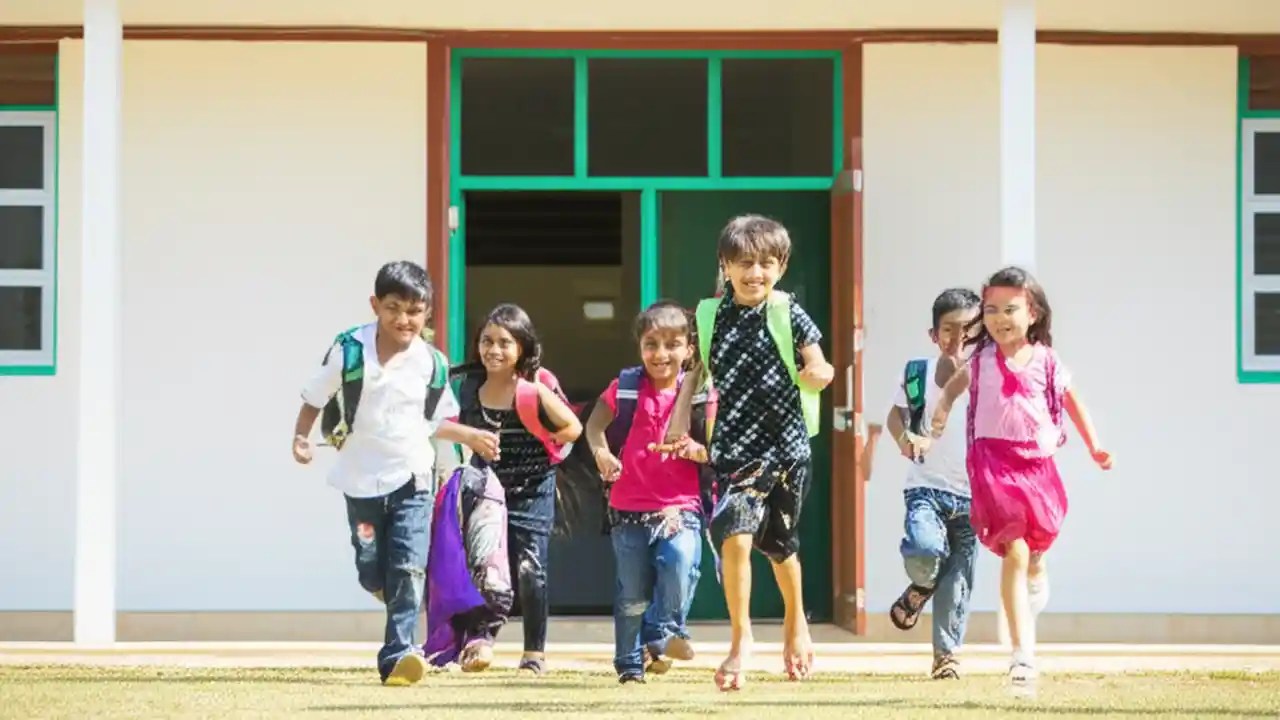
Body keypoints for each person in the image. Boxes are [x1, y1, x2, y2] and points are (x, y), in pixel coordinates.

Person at [290, 260, 498, 686]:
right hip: (359, 479)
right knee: (371, 566)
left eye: (414, 311)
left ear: (428, 314)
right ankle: (387, 590)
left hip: (413, 478)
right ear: (375, 306)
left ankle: (400, 654)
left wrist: (471, 436)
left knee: (408, 565)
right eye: (393, 308)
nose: (404, 319)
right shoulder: (350, 351)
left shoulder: (432, 364)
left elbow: (433, 420)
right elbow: (315, 396)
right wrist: (300, 437)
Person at [664, 214, 834, 691]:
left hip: (788, 449)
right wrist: (679, 423)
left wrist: (819, 374)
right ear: (725, 265)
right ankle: (741, 641)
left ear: (780, 267)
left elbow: (818, 362)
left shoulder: (788, 312)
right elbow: (695, 374)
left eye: (766, 263)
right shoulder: (709, 315)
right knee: (733, 531)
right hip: (735, 446)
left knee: (780, 549)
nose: (754, 273)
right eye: (744, 263)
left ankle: (794, 622)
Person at [930, 266, 1112, 695]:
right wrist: (938, 417)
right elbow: (954, 387)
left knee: (1034, 552)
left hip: (1036, 465)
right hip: (993, 464)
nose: (997, 318)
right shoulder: (982, 361)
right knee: (1014, 549)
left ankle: (1036, 572)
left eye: (1008, 309)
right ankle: (1022, 654)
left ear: (1032, 312)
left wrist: (1095, 446)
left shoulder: (1047, 361)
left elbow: (1073, 402)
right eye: (990, 310)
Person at [584, 301, 713, 684]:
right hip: (628, 508)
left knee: (680, 560)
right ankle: (629, 664)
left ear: (690, 349)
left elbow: (717, 450)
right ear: (640, 347)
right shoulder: (624, 388)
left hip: (681, 507)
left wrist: (696, 450)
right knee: (631, 593)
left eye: (672, 344)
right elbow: (594, 428)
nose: (661, 354)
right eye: (651, 344)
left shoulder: (703, 395)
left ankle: (662, 630)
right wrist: (602, 454)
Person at [452, 303, 583, 676]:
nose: (493, 350)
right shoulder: (467, 386)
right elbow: (443, 425)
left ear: (522, 347)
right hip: (488, 489)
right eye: (486, 341)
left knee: (530, 569)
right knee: (485, 566)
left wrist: (543, 431)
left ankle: (534, 652)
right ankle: (482, 640)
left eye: (504, 343)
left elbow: (572, 428)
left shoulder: (534, 384)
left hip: (533, 487)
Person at [885, 288, 981, 679]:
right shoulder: (916, 373)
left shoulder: (987, 379)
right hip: (925, 488)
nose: (959, 339)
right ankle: (920, 585)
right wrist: (903, 439)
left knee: (958, 581)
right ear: (934, 335)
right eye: (949, 330)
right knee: (925, 551)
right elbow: (895, 415)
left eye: (969, 331)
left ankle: (947, 657)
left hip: (975, 497)